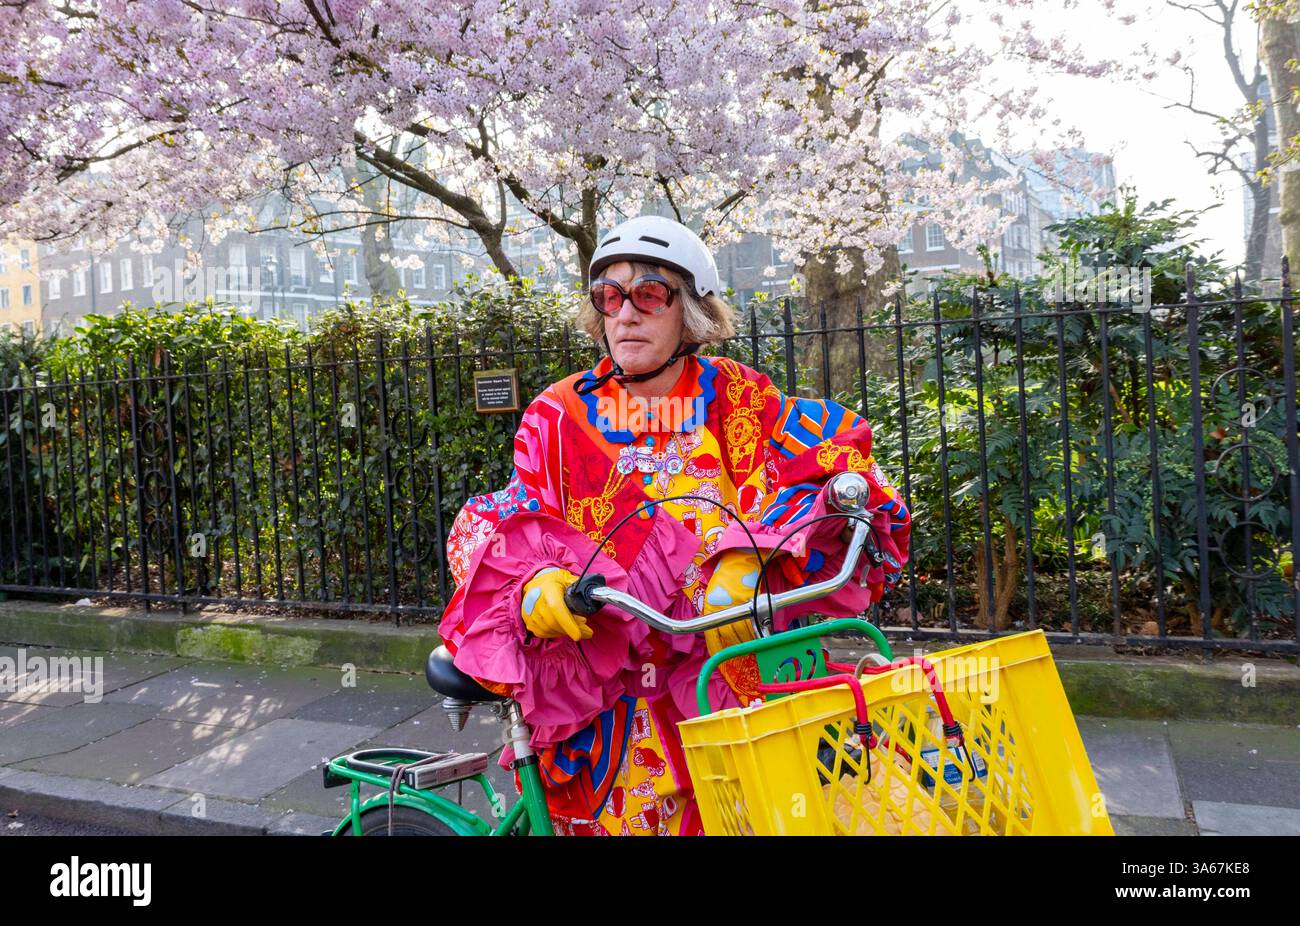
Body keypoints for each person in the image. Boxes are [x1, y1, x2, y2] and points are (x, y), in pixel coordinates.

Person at [439, 215, 911, 836]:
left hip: (737, 665)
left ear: (689, 310)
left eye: (648, 293)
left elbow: (838, 462)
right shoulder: (558, 414)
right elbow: (508, 516)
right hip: (617, 687)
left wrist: (756, 553)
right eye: (608, 296)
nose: (625, 313)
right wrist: (534, 583)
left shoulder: (739, 397)